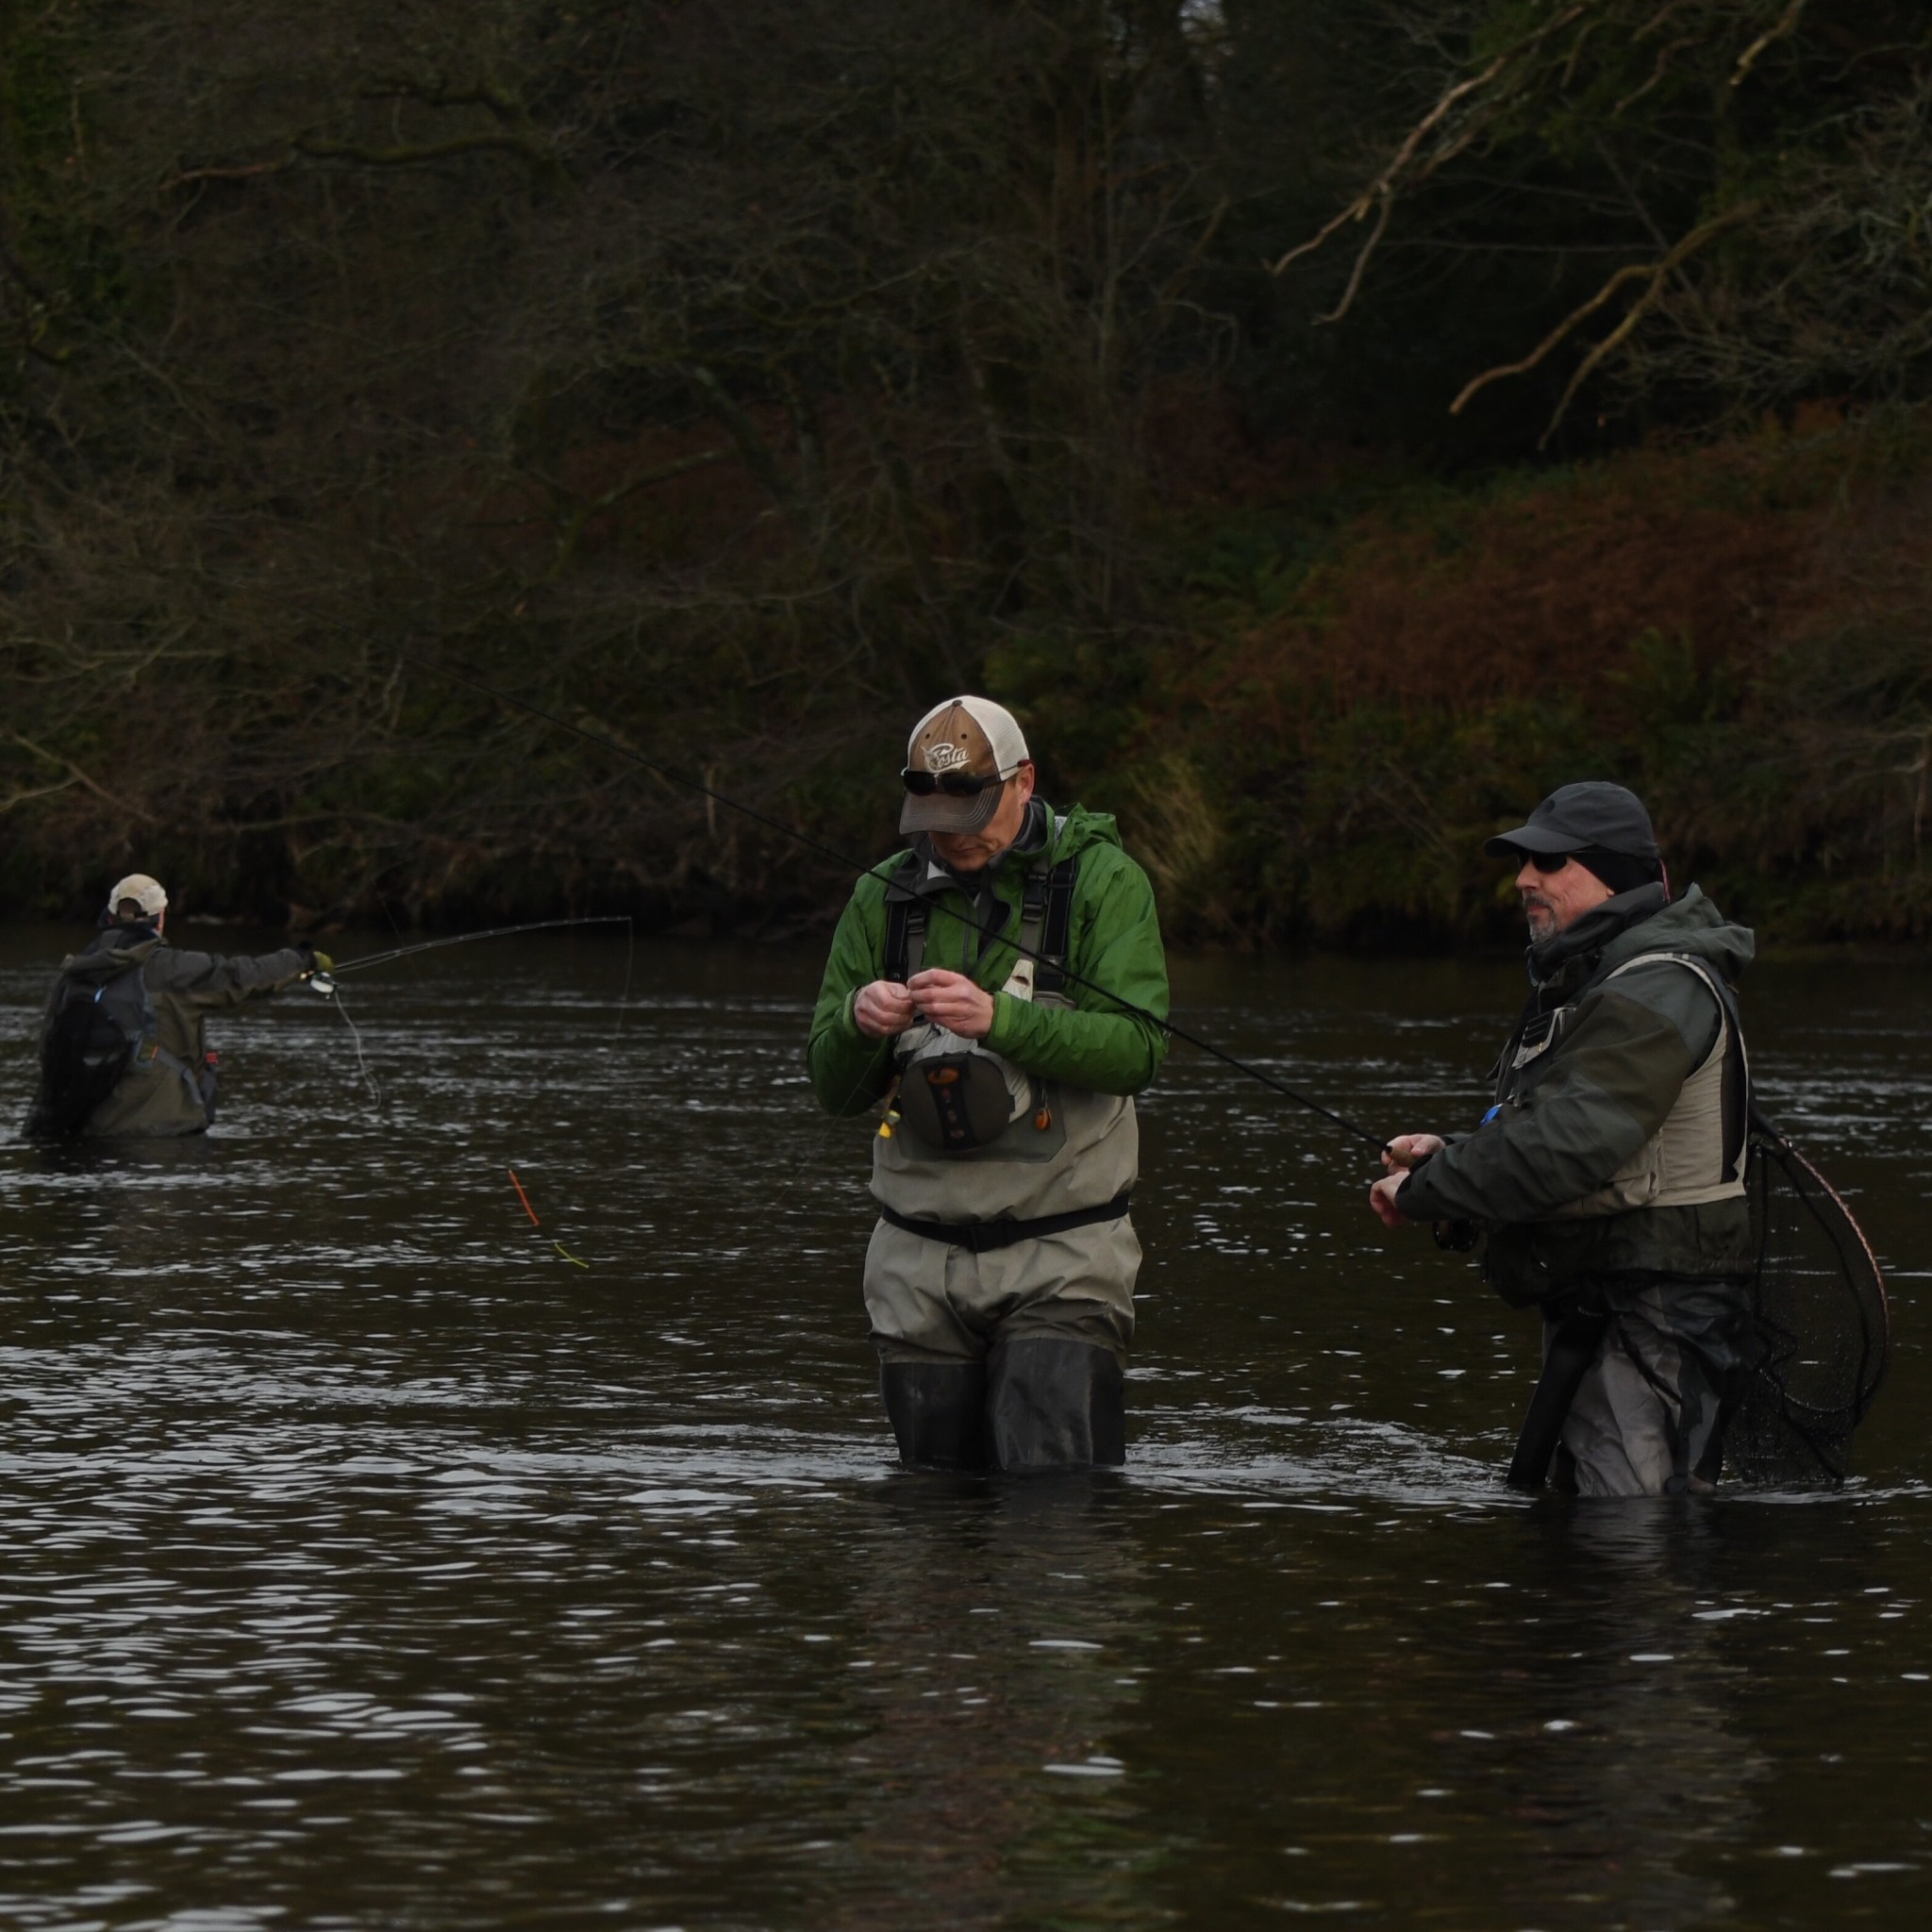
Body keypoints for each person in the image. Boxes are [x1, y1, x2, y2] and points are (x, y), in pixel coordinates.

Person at [808, 696, 1170, 1474]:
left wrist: (1001, 1021)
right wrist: (855, 1022)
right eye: (935, 812)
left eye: (970, 808)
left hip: (1063, 1256)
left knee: (1053, 1519)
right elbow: (834, 1092)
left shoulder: (1105, 882)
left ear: (1024, 780)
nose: (953, 831)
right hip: (917, 1268)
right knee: (926, 1526)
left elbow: (1140, 1049)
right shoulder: (880, 896)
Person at [1368, 782, 1755, 1496]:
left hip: (1654, 1319)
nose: (1523, 881)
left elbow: (1566, 1146)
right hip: (1603, 1306)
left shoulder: (1657, 989)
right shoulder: (1599, 984)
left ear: (1614, 875)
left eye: (1549, 863)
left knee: (1629, 1556)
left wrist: (1430, 1189)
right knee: (1582, 1547)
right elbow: (1557, 1129)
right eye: (1523, 864)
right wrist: (1451, 1157)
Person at [27, 873, 327, 1141]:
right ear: (160, 919)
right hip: (161, 1138)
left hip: (81, 1132)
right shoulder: (171, 969)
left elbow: (47, 1050)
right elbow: (242, 977)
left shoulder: (74, 974)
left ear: (110, 917)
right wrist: (303, 961)